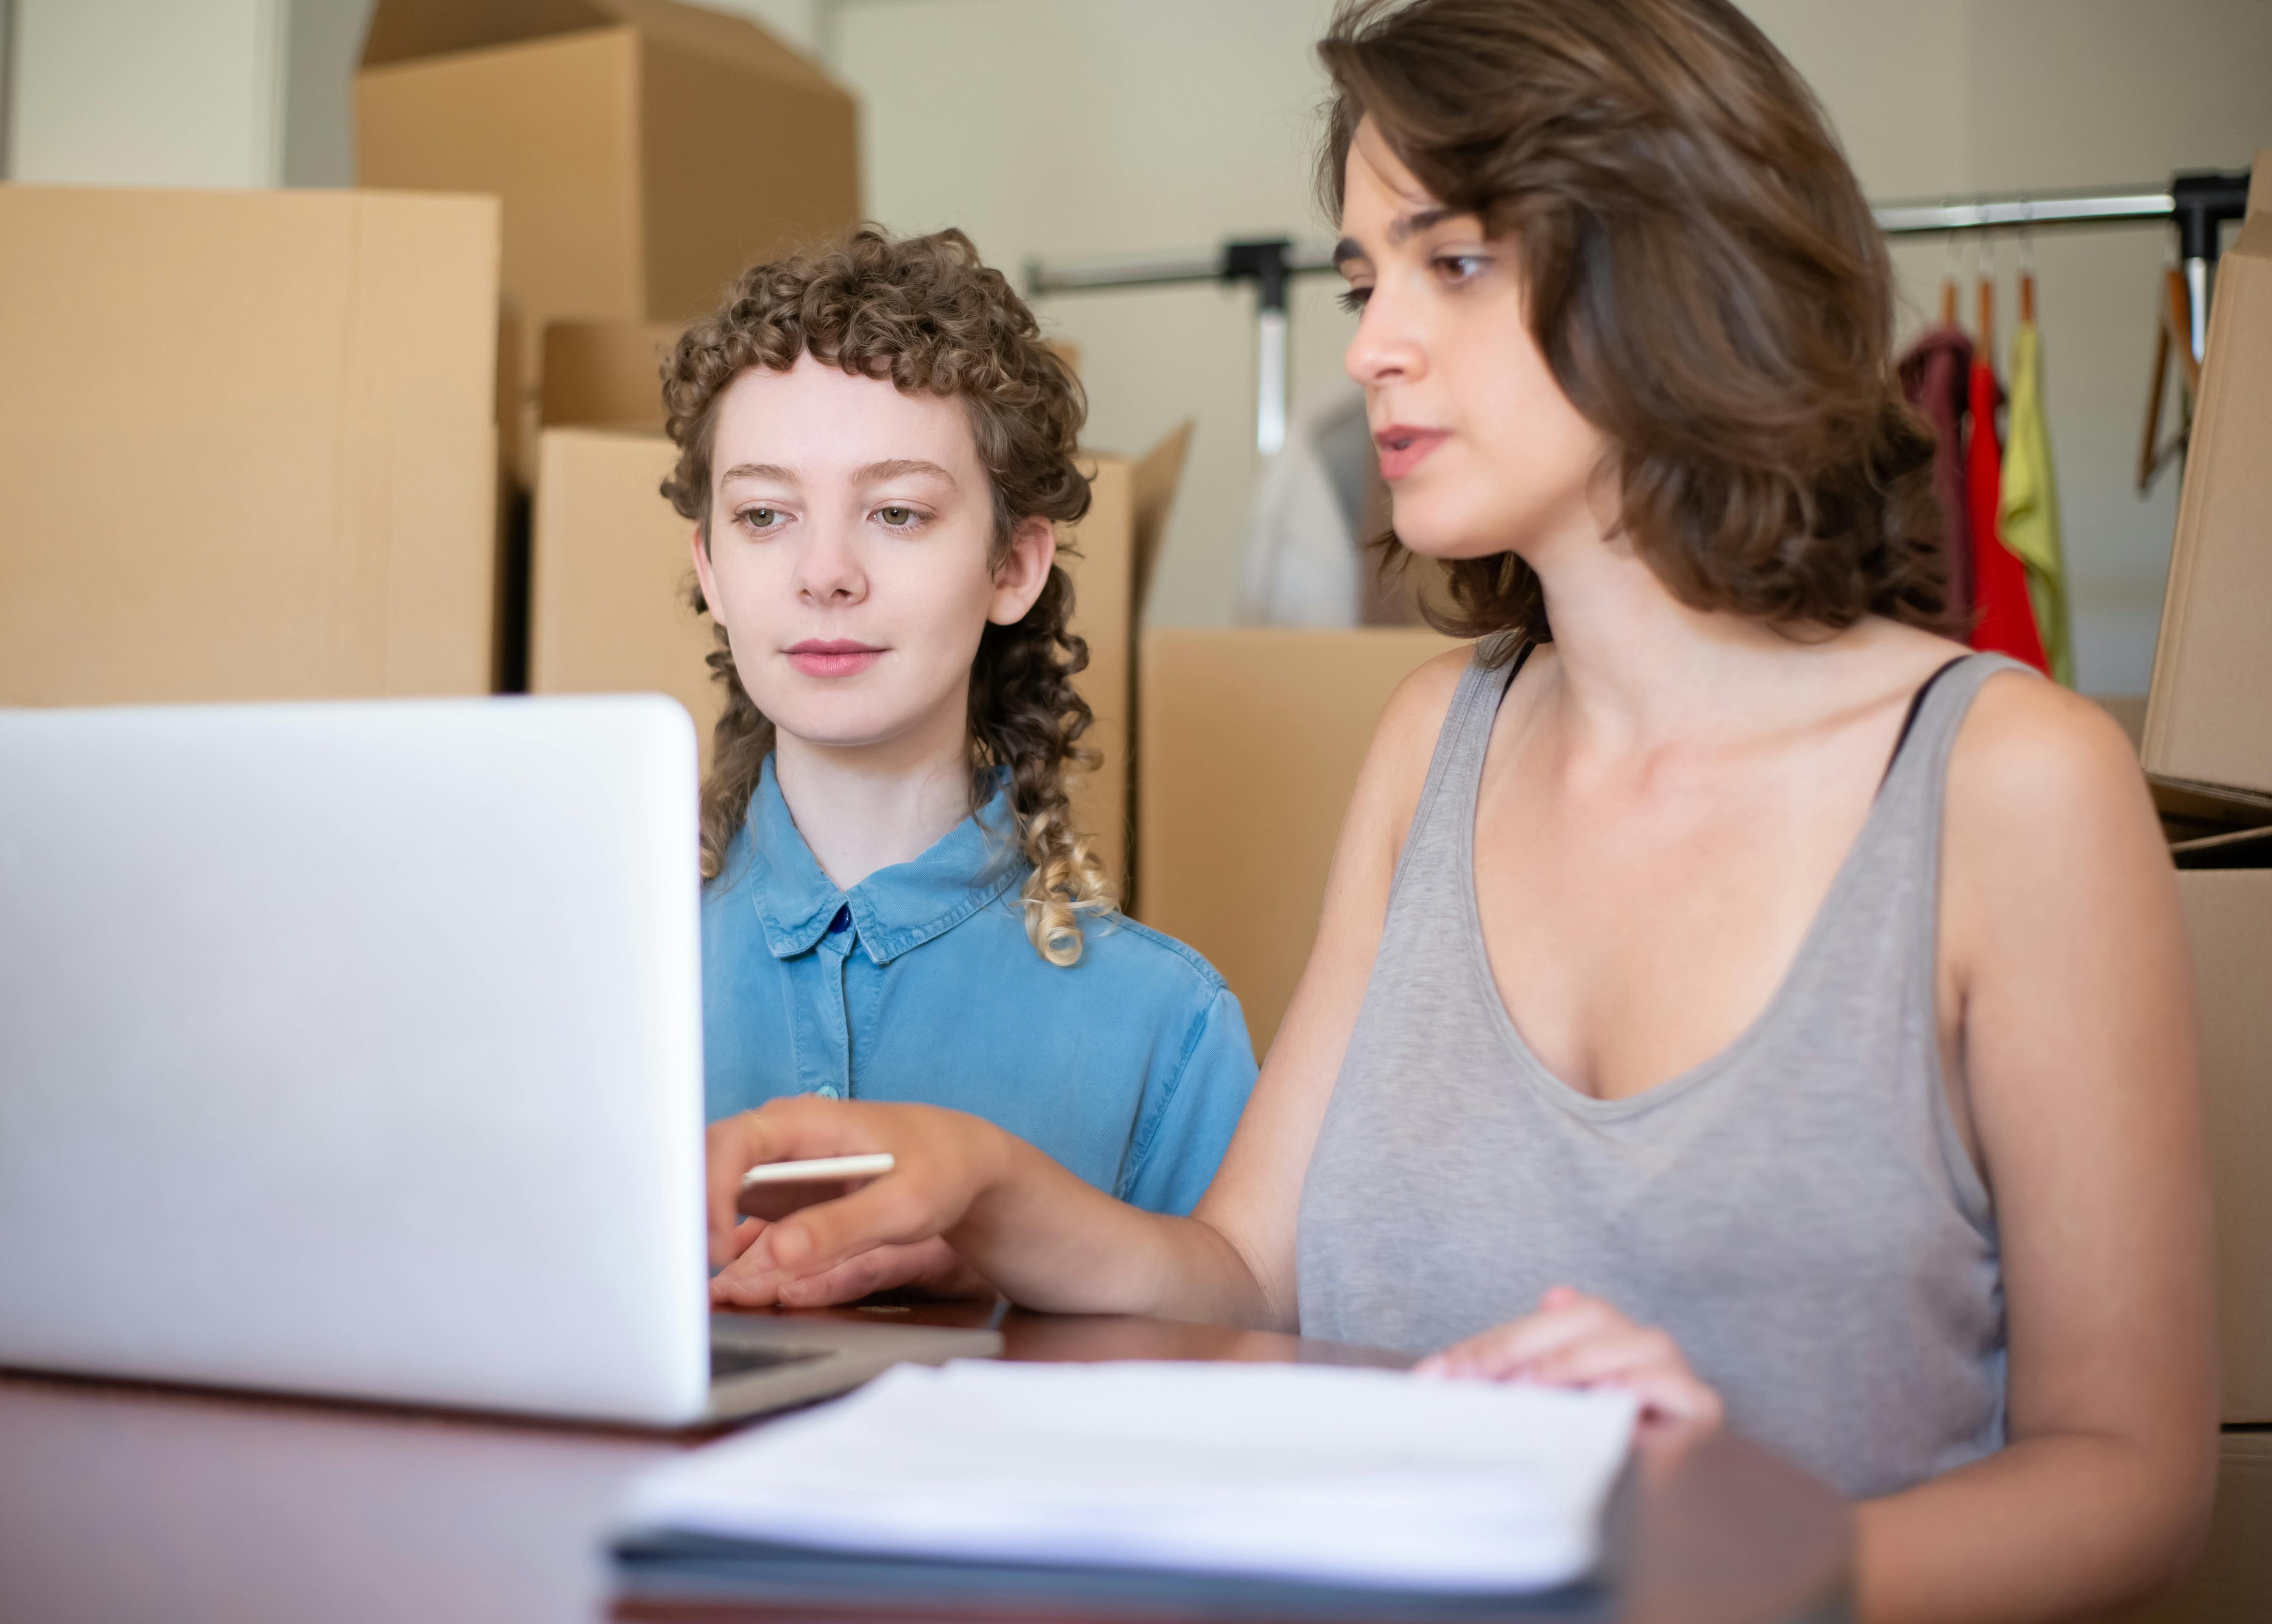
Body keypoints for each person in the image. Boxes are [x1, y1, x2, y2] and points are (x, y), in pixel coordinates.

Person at [699, 2, 2218, 1618]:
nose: (1369, 346)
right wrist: (980, 1180)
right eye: (1364, 281)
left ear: (1675, 261)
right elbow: (1242, 1278)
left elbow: (2129, 1476)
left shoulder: (2008, 784)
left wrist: (1762, 1565)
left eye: (1454, 263)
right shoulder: (1432, 740)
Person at [669, 228, 1260, 1305]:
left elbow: (1245, 1352)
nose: (825, 574)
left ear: (1013, 565)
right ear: (710, 566)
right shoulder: (600, 978)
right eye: (763, 516)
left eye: (897, 512)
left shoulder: (1166, 1024)